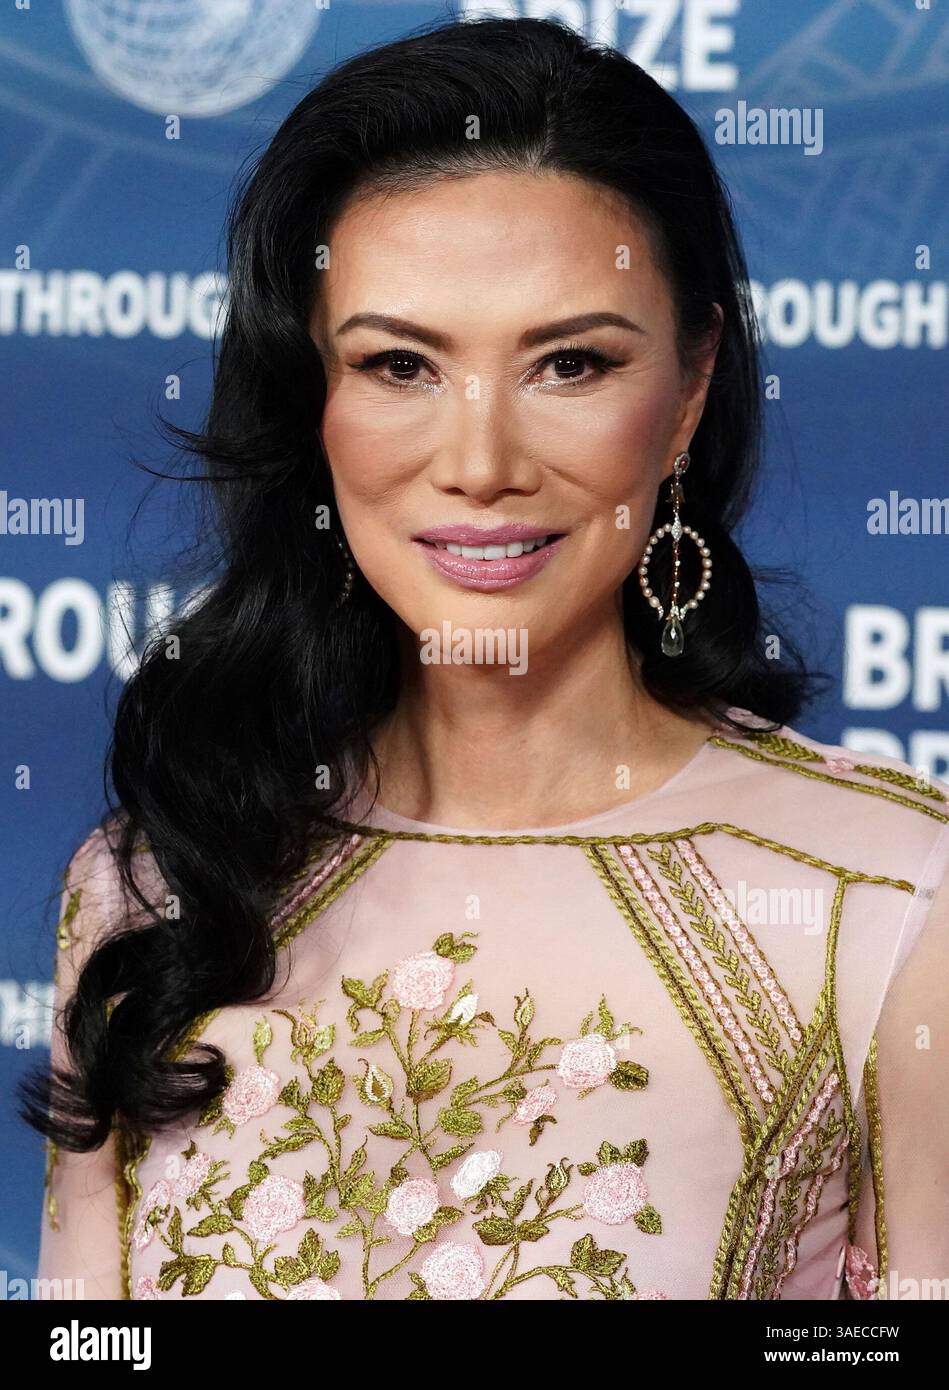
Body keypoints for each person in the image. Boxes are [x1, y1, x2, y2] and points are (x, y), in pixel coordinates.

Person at [22, 15, 948, 1302]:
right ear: (317, 406)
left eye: (569, 362)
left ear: (686, 393)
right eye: (399, 364)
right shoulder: (158, 886)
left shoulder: (896, 893)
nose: (480, 462)